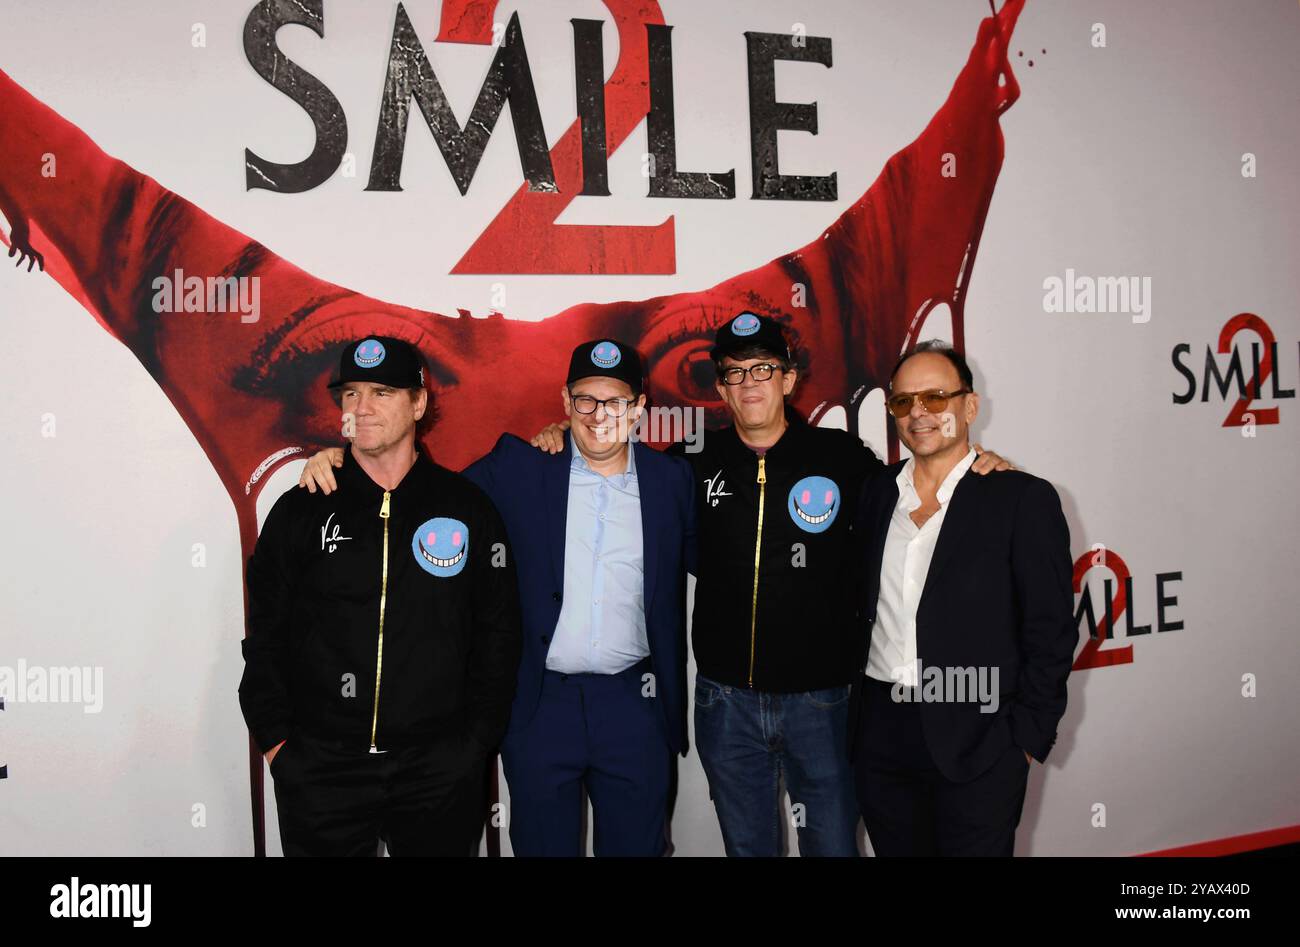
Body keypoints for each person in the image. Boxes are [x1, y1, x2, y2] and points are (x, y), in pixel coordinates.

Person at [530, 313, 1011, 857]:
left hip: (823, 703)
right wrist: (557, 434)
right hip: (726, 702)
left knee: (833, 846)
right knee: (747, 849)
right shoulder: (688, 464)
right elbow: (615, 463)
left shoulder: (843, 459)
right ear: (721, 388)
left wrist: (972, 463)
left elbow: (917, 488)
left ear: (788, 379)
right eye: (735, 372)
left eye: (763, 368)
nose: (750, 382)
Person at [297, 340, 695, 857]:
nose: (599, 416)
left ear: (640, 407)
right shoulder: (520, 468)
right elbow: (422, 494)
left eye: (615, 402)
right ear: (565, 400)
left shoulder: (673, 480)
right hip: (539, 705)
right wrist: (345, 458)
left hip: (634, 704)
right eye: (585, 401)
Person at [238, 335, 522, 856]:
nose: (361, 408)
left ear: (419, 403)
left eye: (382, 393)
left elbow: (497, 634)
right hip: (322, 769)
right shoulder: (301, 510)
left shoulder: (467, 508)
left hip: (437, 770)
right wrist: (280, 744)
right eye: (351, 394)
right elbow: (265, 635)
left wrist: (474, 743)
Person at [849, 340, 1075, 856]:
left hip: (980, 736)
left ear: (969, 407)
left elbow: (1051, 629)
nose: (918, 414)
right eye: (903, 402)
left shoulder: (1021, 499)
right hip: (881, 733)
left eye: (935, 397)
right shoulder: (875, 493)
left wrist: (1024, 743)